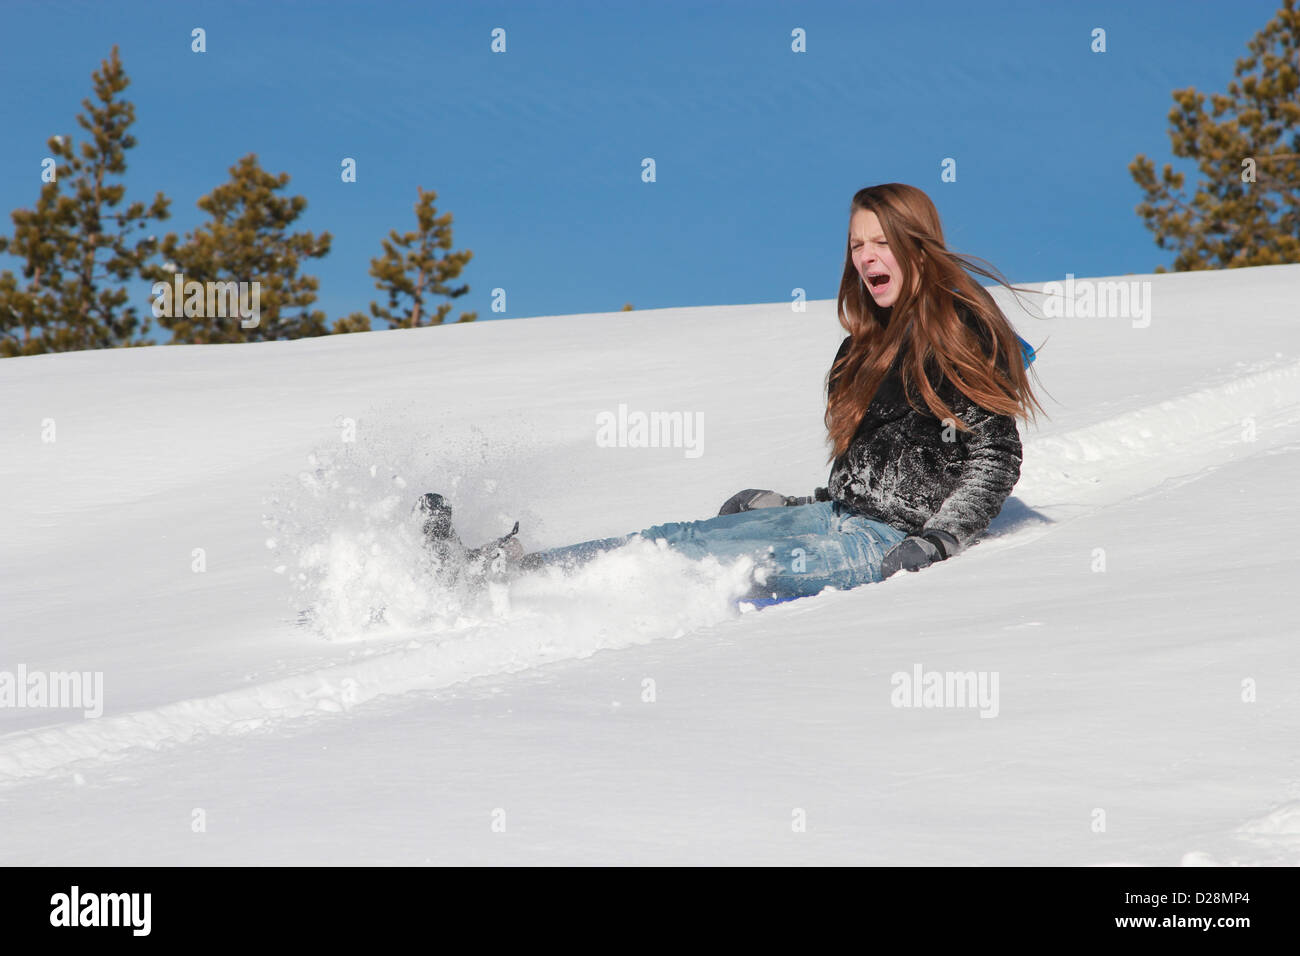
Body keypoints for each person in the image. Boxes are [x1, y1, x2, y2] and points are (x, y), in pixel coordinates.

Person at [430, 183, 1044, 603]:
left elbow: (995, 458)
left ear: (916, 245)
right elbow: (877, 466)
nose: (865, 256)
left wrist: (937, 542)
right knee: (673, 541)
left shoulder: (957, 331)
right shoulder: (862, 347)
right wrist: (791, 505)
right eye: (857, 244)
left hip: (882, 543)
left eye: (881, 241)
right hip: (834, 516)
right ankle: (500, 571)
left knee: (704, 569)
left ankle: (524, 595)